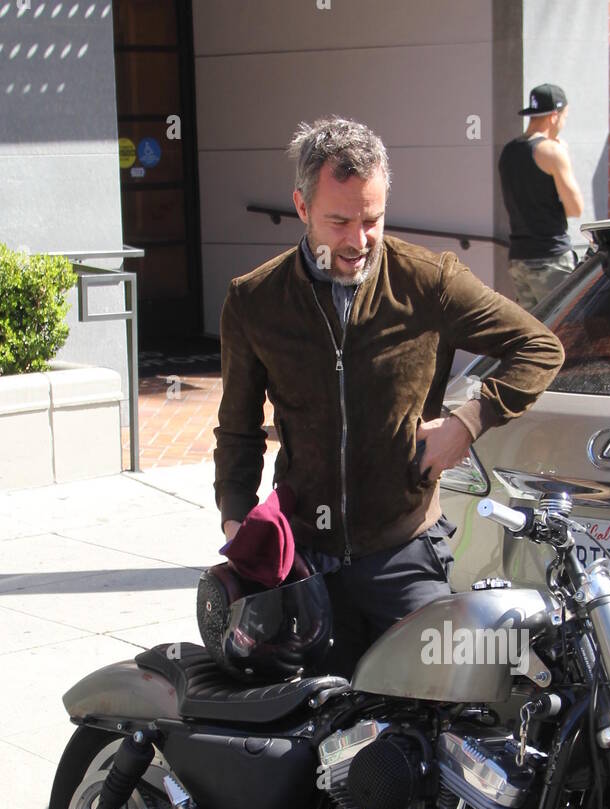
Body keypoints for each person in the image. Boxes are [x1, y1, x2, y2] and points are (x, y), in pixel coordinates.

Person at [213, 116, 564, 677]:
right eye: (339, 221)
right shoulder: (255, 301)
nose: (358, 241)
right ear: (301, 207)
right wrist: (237, 521)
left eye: (372, 219)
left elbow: (539, 347)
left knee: (448, 704)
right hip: (304, 566)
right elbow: (237, 430)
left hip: (404, 554)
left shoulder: (429, 282)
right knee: (312, 734)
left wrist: (467, 423)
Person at [498, 83, 584, 312]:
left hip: (519, 259)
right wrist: (563, 155)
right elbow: (576, 208)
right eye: (564, 116)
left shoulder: (509, 151)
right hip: (551, 257)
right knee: (564, 327)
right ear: (554, 116)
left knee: (532, 334)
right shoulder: (552, 152)